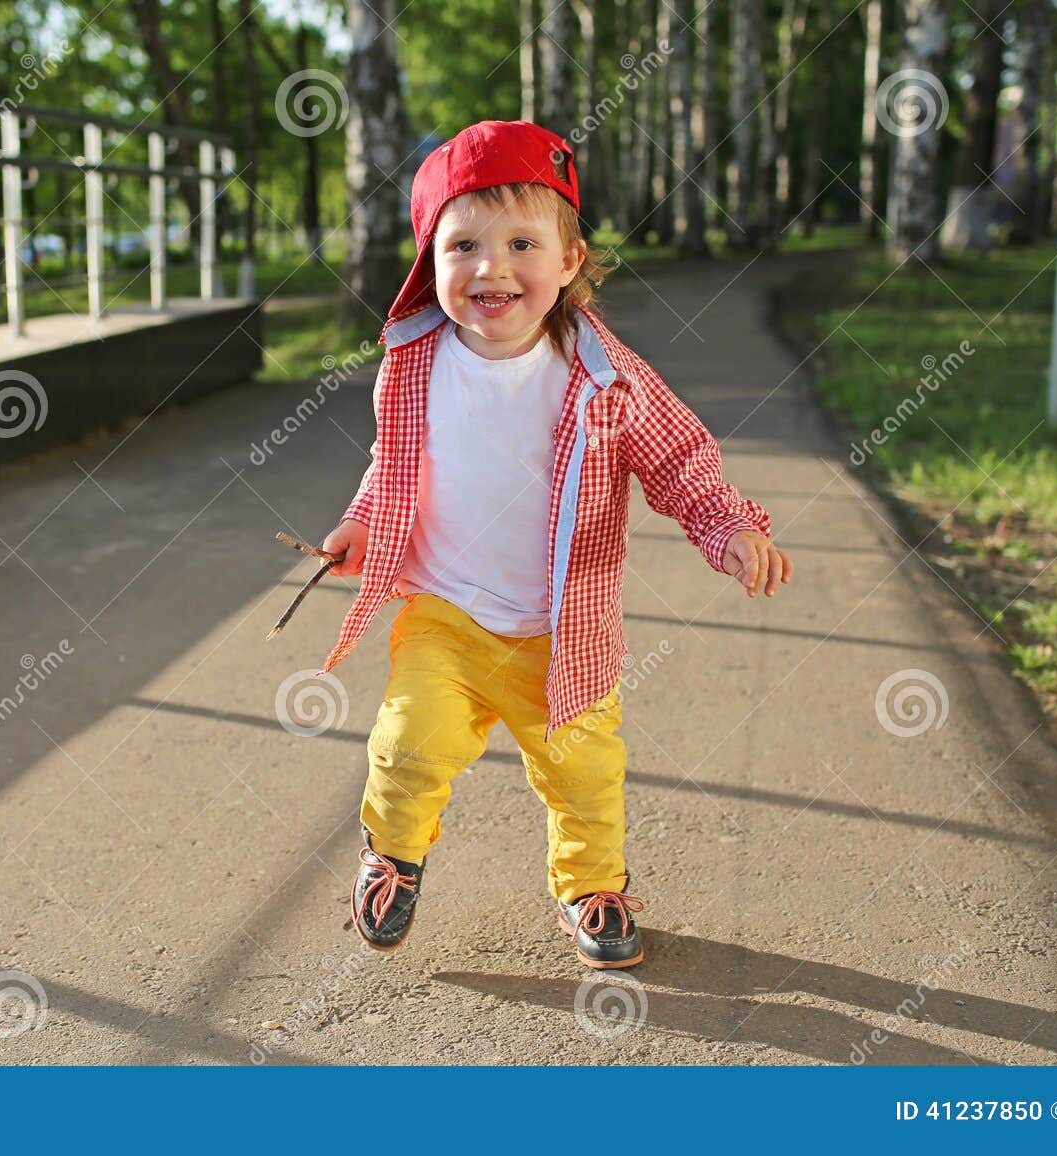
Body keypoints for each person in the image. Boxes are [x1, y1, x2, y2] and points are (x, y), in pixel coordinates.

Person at [316, 120, 793, 969]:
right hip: (446, 614)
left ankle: (591, 887)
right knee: (407, 741)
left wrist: (727, 526)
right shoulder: (415, 361)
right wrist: (362, 523)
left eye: (521, 242)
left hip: (563, 631)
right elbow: (395, 461)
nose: (491, 267)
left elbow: (679, 458)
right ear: (431, 264)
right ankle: (392, 854)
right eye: (463, 245)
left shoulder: (605, 376)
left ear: (570, 261)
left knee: (584, 776)